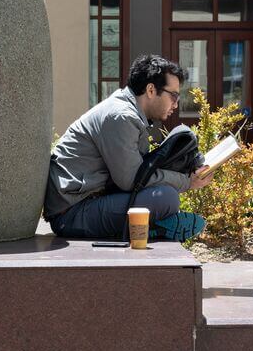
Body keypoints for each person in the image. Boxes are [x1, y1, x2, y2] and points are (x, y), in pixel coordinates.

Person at [44, 54, 212, 241]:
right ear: (150, 90)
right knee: (165, 198)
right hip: (71, 214)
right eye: (173, 95)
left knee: (165, 198)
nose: (176, 103)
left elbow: (138, 172)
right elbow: (131, 180)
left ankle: (152, 227)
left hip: (87, 203)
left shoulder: (128, 113)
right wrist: (187, 182)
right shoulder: (121, 116)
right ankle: (152, 229)